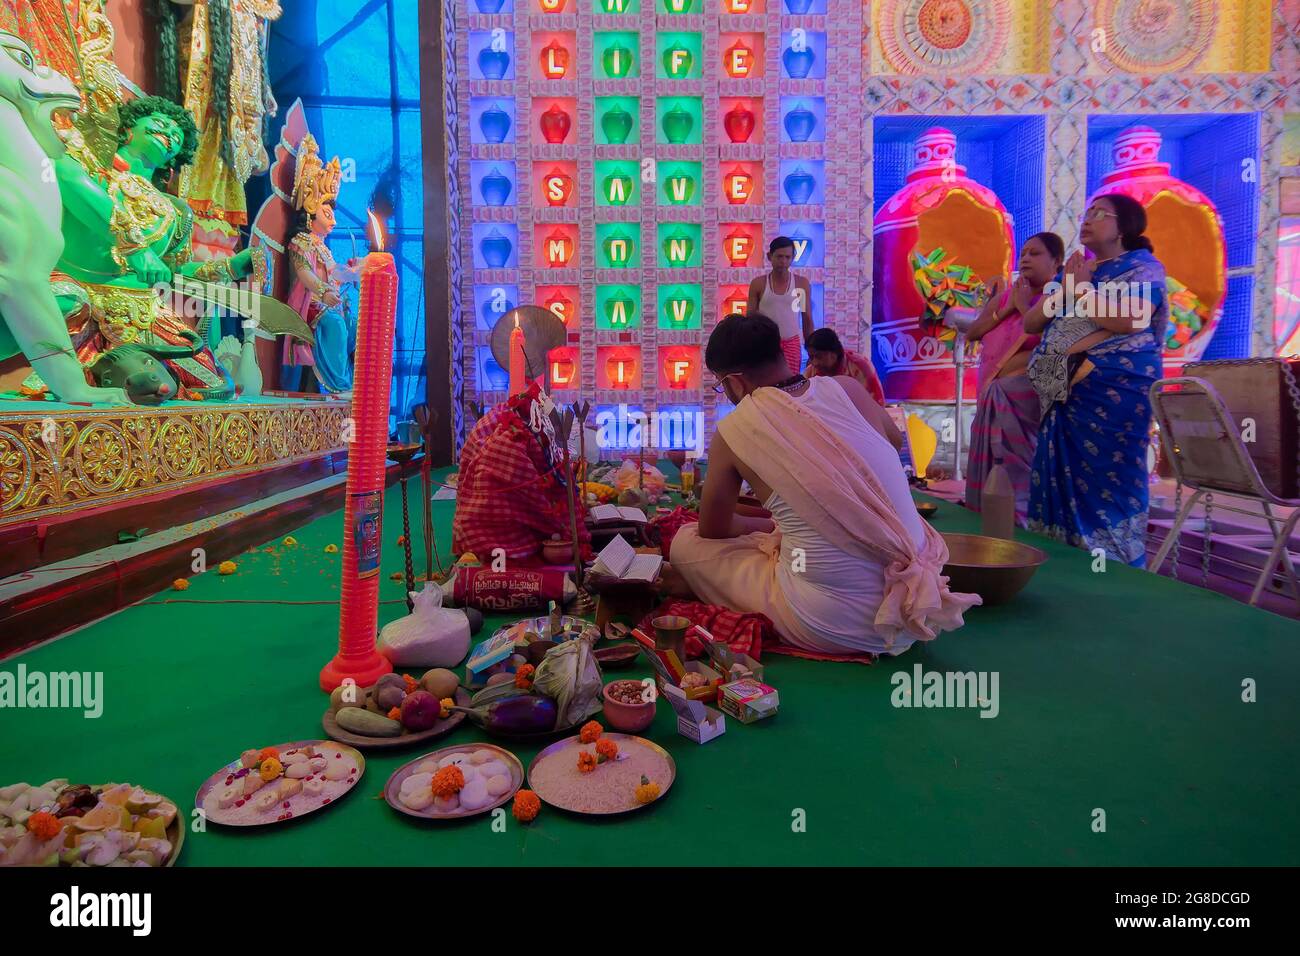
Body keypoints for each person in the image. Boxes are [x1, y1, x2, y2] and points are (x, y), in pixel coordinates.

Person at [663, 313, 979, 656]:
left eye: (721, 385)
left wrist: (766, 526)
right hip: (914, 609)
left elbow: (712, 528)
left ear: (735, 382)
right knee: (790, 543)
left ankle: (702, 581)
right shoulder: (846, 388)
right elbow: (891, 440)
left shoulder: (736, 427)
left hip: (829, 620)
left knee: (686, 543)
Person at [1023, 194, 1166, 567]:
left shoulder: (1142, 266)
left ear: (1126, 227)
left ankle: (1112, 565)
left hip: (1114, 392)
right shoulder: (1076, 271)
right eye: (1087, 213)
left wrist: (1080, 291)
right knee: (1058, 474)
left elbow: (1130, 319)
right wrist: (1065, 288)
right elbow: (1032, 323)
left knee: (1108, 477)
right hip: (1064, 393)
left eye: (1101, 215)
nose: (1088, 220)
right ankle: (1062, 560)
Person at [963, 232, 1065, 522]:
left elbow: (1055, 340)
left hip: (1025, 401)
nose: (1026, 258)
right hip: (994, 394)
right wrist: (1008, 306)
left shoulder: (1058, 298)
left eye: (1035, 253)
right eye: (1024, 253)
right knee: (991, 469)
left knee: (1017, 470)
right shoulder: (1008, 295)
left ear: (1056, 262)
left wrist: (1024, 307)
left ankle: (1019, 528)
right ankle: (986, 525)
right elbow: (973, 332)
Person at [281, 135, 358, 395]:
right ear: (311, 213)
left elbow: (335, 270)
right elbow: (305, 275)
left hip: (327, 301)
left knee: (354, 324)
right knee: (334, 324)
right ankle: (338, 384)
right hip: (310, 306)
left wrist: (358, 271)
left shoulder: (322, 246)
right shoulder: (300, 243)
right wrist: (324, 290)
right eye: (327, 214)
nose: (333, 221)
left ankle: (350, 382)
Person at [746, 236, 813, 374]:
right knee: (764, 386)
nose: (783, 261)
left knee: (791, 386)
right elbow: (750, 317)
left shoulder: (801, 283)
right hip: (764, 344)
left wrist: (812, 350)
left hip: (792, 343)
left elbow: (807, 318)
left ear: (793, 257)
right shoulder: (758, 284)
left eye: (788, 257)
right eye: (779, 256)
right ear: (770, 256)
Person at [804, 327, 886, 405]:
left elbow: (877, 404)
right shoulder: (810, 372)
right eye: (811, 357)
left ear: (833, 352)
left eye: (819, 356)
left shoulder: (861, 367)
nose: (814, 363)